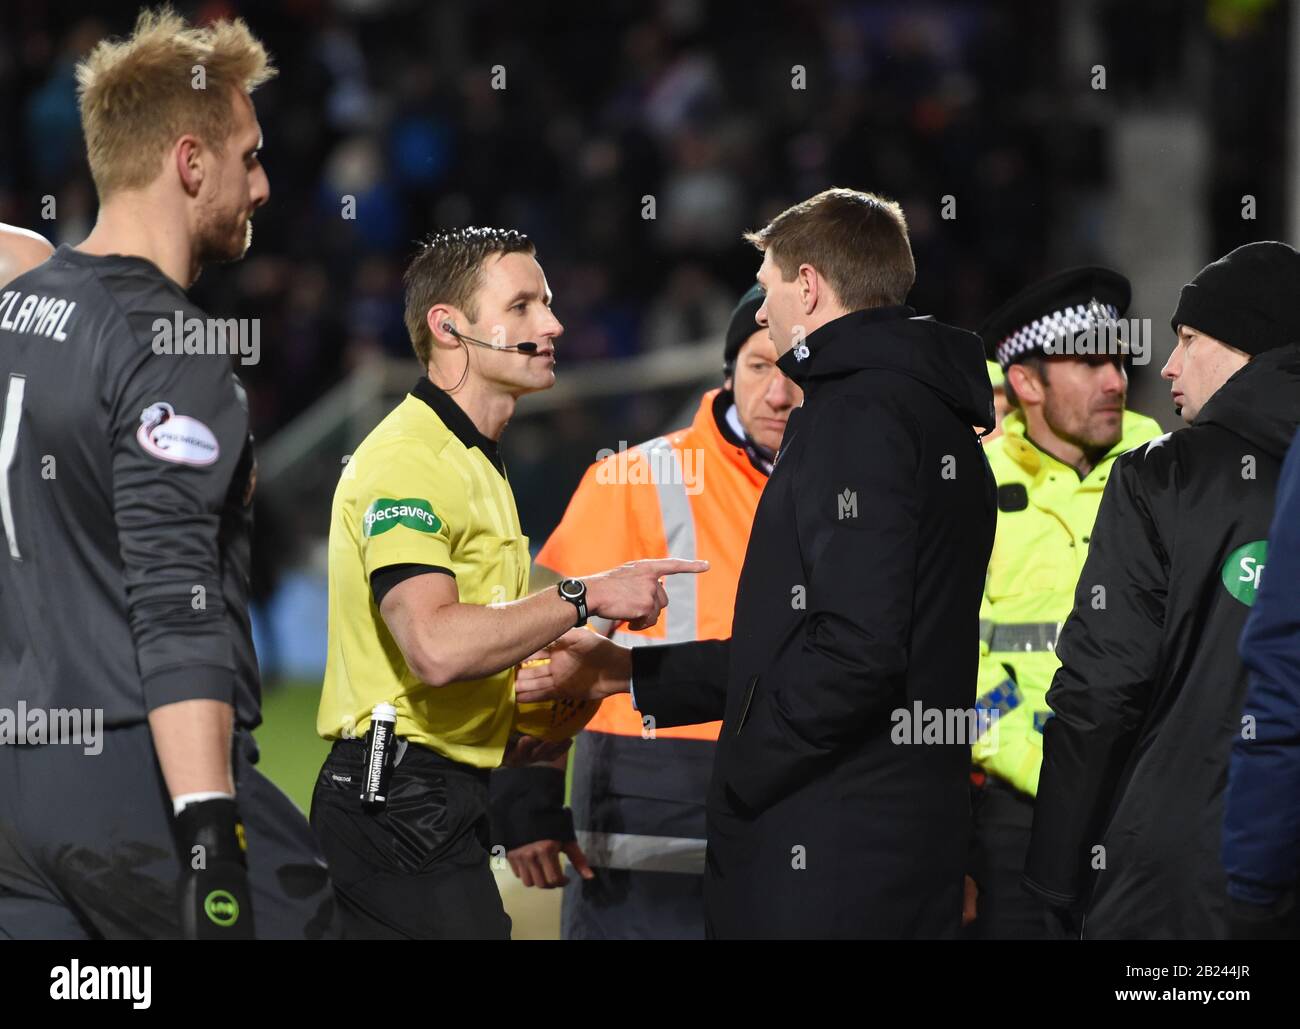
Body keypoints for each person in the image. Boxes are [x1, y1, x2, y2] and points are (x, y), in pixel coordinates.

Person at [519, 188, 997, 938]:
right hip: (888, 839)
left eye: (770, 287)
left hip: (834, 849)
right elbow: (822, 643)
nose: (764, 309)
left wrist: (744, 770)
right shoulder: (928, 414)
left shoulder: (855, 418)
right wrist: (630, 673)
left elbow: (856, 652)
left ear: (808, 284)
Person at [0, 9, 340, 939]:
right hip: (133, 784)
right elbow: (174, 599)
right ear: (191, 163)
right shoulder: (173, 350)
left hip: (16, 791)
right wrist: (208, 834)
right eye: (250, 156)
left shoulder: (24, 304)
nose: (263, 184)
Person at [309, 226, 705, 939]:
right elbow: (434, 644)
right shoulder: (409, 460)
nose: (551, 324)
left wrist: (533, 719)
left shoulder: (477, 462)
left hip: (440, 793)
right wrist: (583, 594)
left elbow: (479, 656)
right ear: (449, 326)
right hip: (395, 797)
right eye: (522, 305)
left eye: (547, 303)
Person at [495, 283, 802, 939]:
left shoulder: (860, 488)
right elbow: (552, 653)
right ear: (727, 370)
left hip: (801, 817)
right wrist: (528, 794)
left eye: (796, 367)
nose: (778, 392)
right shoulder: (630, 481)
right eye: (758, 365)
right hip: (645, 828)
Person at [1024, 241, 1300, 939]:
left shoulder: (1162, 475)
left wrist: (1055, 875)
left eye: (1188, 339)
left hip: (1173, 883)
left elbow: (1100, 694)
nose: (1168, 365)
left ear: (1246, 344)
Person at [964, 268, 1161, 939]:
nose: (1115, 378)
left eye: (1119, 359)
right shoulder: (970, 484)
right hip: (1019, 811)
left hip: (1147, 803)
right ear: (1025, 382)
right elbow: (955, 657)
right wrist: (1037, 758)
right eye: (1089, 361)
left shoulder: (1169, 467)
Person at [1222, 424, 1300, 939]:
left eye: (1186, 338)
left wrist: (1251, 885)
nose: (1167, 367)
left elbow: (1285, 665)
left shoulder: (1155, 466)